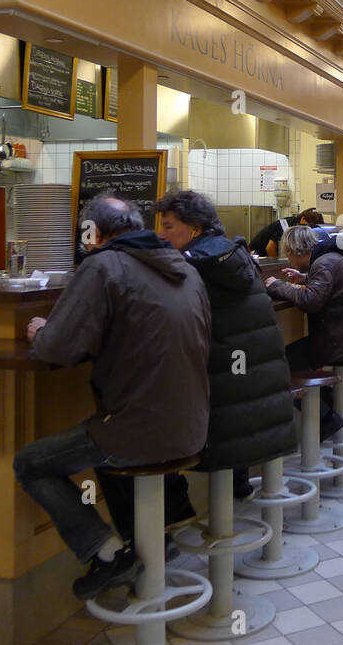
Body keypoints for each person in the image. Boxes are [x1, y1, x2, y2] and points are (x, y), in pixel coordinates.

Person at [14, 195, 211, 599]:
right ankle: (155, 542)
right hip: (194, 426)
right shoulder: (186, 268)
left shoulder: (102, 265)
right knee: (106, 446)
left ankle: (106, 556)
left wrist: (40, 331)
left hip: (137, 432)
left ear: (94, 233)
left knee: (31, 463)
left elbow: (56, 348)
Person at [150, 190, 293, 507]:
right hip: (253, 391)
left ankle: (176, 515)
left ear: (195, 229)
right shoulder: (233, 254)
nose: (160, 233)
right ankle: (236, 487)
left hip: (224, 400)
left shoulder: (191, 266)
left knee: (147, 423)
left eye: (169, 226)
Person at [265, 225, 343, 424]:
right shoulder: (332, 257)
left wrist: (277, 285)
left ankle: (327, 422)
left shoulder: (323, 264)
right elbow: (325, 285)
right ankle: (338, 409)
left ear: (296, 251)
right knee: (296, 360)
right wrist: (305, 278)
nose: (289, 260)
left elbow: (310, 301)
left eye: (289, 255)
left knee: (281, 363)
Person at [249, 208, 324, 258]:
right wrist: (278, 265)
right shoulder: (285, 224)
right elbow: (270, 248)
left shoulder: (296, 226)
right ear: (303, 219)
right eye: (308, 226)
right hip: (261, 256)